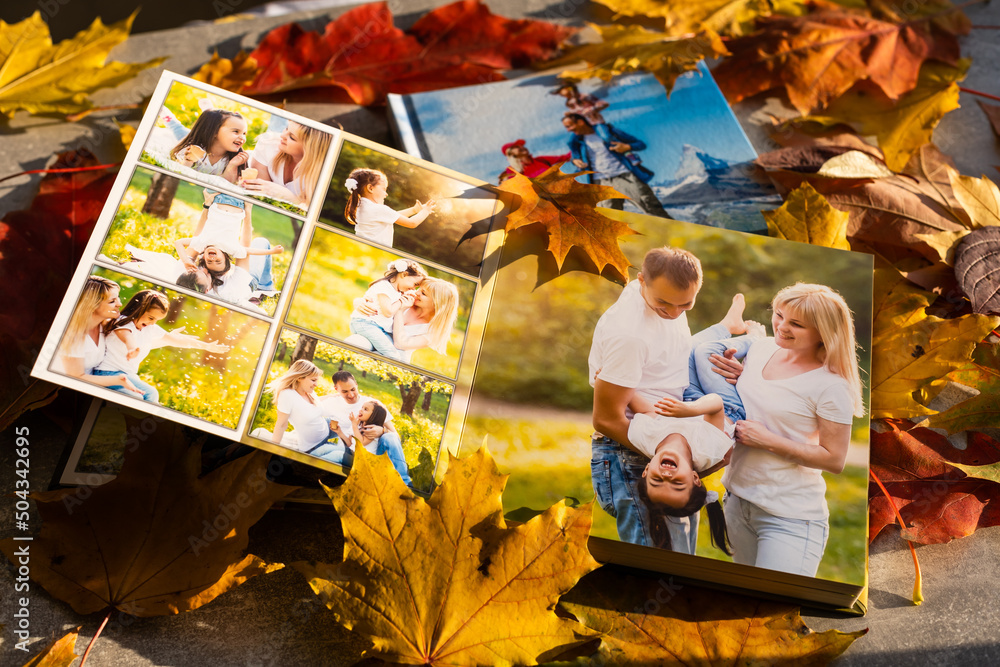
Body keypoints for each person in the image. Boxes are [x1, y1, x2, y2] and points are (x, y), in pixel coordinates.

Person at [589, 246, 748, 553]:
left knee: (682, 554)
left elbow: (671, 350)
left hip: (668, 422)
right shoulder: (629, 336)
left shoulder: (662, 296)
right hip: (631, 450)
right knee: (660, 558)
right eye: (664, 304)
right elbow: (606, 419)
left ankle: (726, 328)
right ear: (641, 281)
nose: (674, 313)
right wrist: (680, 460)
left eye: (685, 305)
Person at [713, 284, 866, 577]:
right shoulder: (761, 349)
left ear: (823, 332)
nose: (782, 326)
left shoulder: (831, 386)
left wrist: (768, 441)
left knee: (775, 611)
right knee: (746, 608)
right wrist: (732, 377)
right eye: (779, 315)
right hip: (736, 501)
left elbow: (834, 459)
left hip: (789, 516)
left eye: (796, 324)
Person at [92, 290, 231, 403]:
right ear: (138, 309)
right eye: (151, 318)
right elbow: (126, 335)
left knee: (146, 396)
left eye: (157, 320)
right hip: (108, 373)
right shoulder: (123, 322)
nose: (153, 323)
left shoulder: (149, 328)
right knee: (148, 395)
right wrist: (132, 348)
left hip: (127, 375)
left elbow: (174, 340)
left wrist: (205, 346)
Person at [562, 113, 669, 218]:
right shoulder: (577, 142)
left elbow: (640, 144)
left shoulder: (608, 132)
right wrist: (575, 161)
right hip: (601, 183)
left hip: (625, 176)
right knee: (610, 219)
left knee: (652, 209)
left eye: (569, 126)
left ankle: (677, 235)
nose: (568, 130)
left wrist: (627, 146)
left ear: (580, 122)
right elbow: (575, 157)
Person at [53, 275, 143, 396]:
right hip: (65, 391)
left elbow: (130, 336)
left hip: (94, 382)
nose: (120, 304)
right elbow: (75, 377)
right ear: (92, 305)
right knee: (135, 396)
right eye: (112, 301)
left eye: (118, 298)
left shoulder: (104, 326)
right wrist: (118, 380)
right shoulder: (74, 334)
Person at [318, 371, 413, 486]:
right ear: (336, 389)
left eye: (353, 389)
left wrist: (382, 431)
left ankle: (405, 483)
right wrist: (333, 395)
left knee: (390, 436)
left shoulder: (373, 404)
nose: (351, 395)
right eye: (345, 391)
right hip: (347, 451)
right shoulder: (333, 403)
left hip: (370, 456)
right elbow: (309, 402)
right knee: (326, 449)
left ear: (356, 384)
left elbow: (395, 437)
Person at [174, 191, 283, 265]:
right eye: (218, 262)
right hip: (240, 202)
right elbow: (250, 250)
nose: (213, 259)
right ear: (226, 259)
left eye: (209, 262)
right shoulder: (231, 249)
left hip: (217, 198)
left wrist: (186, 261)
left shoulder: (201, 244)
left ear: (203, 258)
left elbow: (178, 243)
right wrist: (272, 251)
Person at [349, 259, 428, 359]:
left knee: (393, 351)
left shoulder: (396, 291)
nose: (414, 289)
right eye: (415, 284)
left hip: (376, 327)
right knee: (391, 354)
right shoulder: (384, 287)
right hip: (365, 323)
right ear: (404, 275)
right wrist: (401, 301)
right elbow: (388, 312)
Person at [244, 121, 332, 207]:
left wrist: (292, 198)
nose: (282, 135)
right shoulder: (268, 143)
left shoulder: (322, 173)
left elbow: (311, 210)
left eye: (292, 137)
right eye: (286, 129)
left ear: (309, 149)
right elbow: (259, 192)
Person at [343, 168, 436, 247]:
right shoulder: (378, 209)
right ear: (370, 188)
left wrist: (414, 210)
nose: (386, 194)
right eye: (384, 189)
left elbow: (392, 216)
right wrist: (426, 211)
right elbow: (412, 223)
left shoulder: (362, 206)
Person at [266, 359, 334, 453]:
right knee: (349, 457)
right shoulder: (287, 395)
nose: (316, 385)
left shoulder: (307, 391)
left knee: (354, 422)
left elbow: (312, 403)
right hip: (314, 445)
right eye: (313, 380)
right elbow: (281, 425)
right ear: (299, 377)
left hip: (326, 427)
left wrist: (333, 396)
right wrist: (272, 448)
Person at [169, 109, 249, 182]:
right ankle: (168, 118)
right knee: (178, 130)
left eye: (244, 133)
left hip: (211, 134)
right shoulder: (192, 151)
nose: (242, 137)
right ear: (215, 131)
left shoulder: (232, 159)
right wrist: (187, 162)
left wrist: (232, 165)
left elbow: (227, 184)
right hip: (195, 139)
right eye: (236, 131)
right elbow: (178, 175)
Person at [497, 139, 569, 183]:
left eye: (522, 145)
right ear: (510, 154)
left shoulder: (541, 160)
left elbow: (565, 157)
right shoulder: (512, 170)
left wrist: (578, 137)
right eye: (517, 147)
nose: (522, 147)